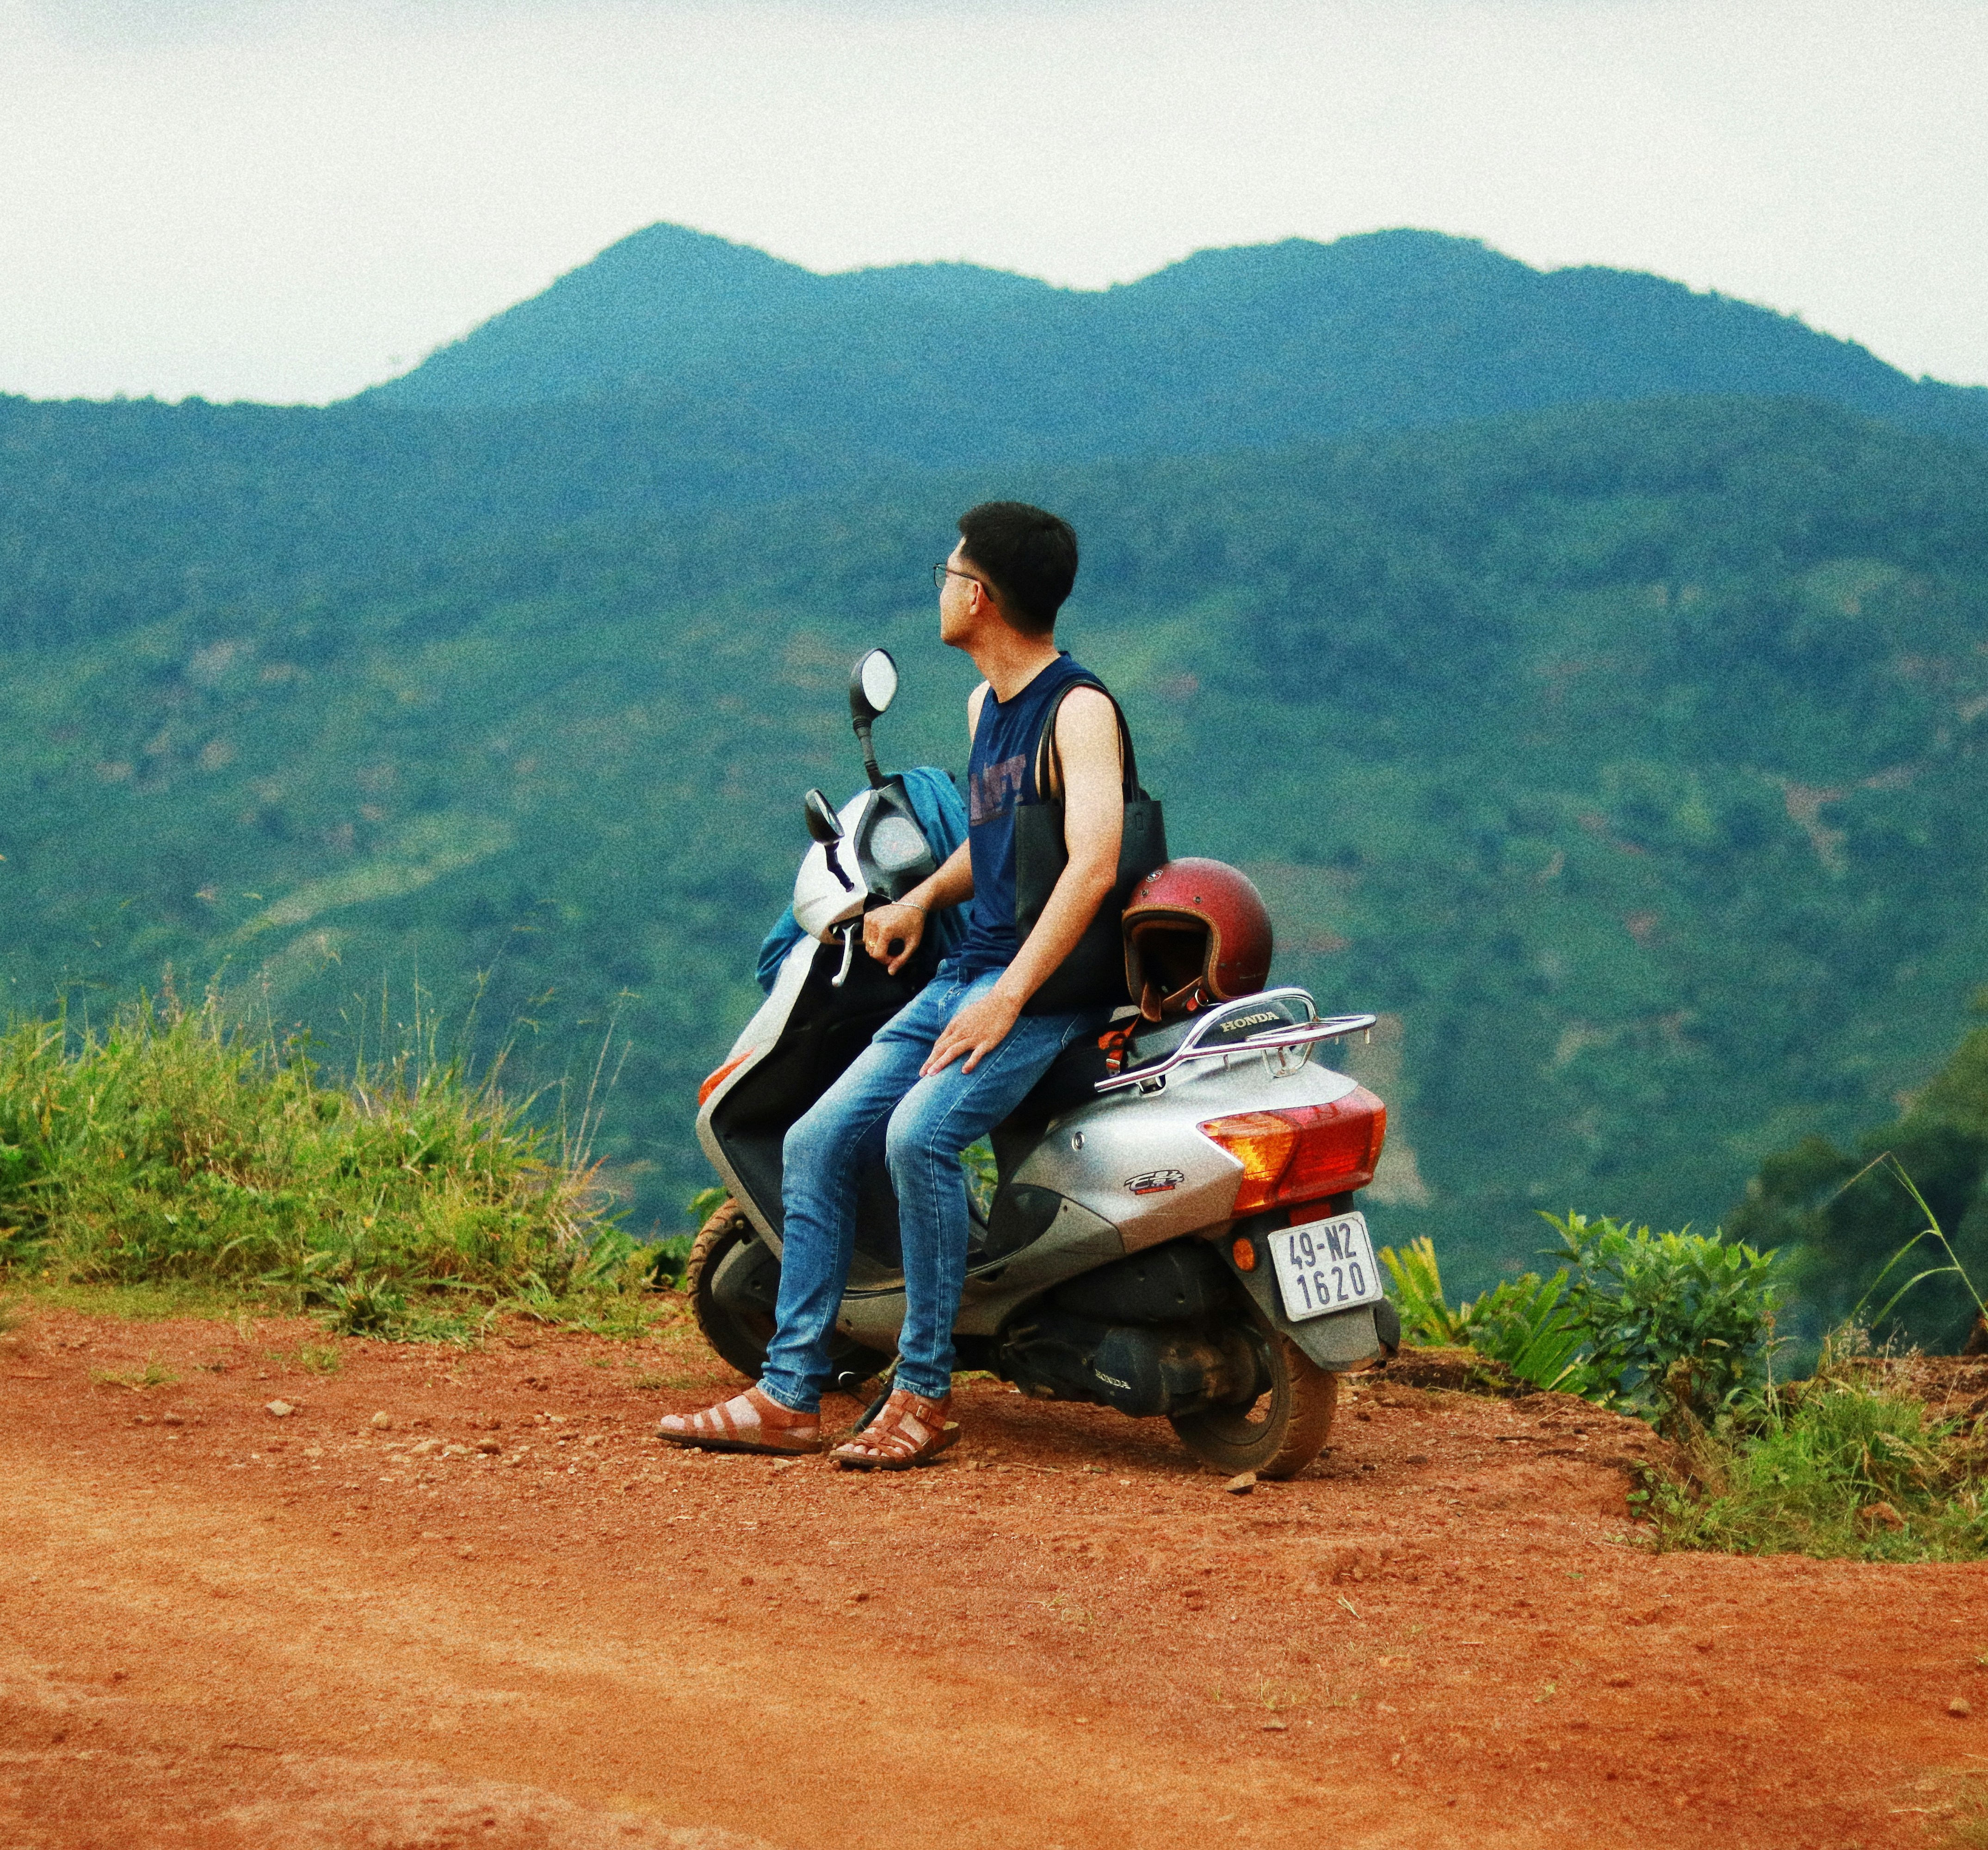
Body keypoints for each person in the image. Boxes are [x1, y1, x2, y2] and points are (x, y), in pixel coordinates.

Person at [659, 500, 1130, 1468]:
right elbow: (1000, 848)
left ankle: (923, 1391)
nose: (942, 586)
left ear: (980, 594)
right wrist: (920, 898)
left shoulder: (1078, 711)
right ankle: (790, 1392)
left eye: (950, 571)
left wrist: (1008, 996)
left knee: (919, 1137)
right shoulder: (983, 708)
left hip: (1040, 989)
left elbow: (1091, 866)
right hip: (966, 971)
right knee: (819, 1137)